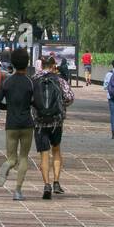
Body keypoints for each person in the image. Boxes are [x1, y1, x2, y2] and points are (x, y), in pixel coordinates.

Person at [0, 48, 35, 200]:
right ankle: (18, 191)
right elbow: (36, 102)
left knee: (12, 158)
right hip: (26, 124)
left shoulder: (7, 82)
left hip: (11, 124)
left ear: (12, 63)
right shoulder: (30, 82)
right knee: (24, 157)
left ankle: (8, 164)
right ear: (27, 63)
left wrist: (8, 107)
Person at [32, 55, 73, 198]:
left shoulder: (34, 80)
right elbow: (69, 97)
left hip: (39, 122)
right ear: (54, 65)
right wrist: (60, 107)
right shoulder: (59, 80)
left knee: (44, 153)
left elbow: (29, 99)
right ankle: (56, 182)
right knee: (56, 150)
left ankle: (46, 185)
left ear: (41, 65)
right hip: (56, 122)